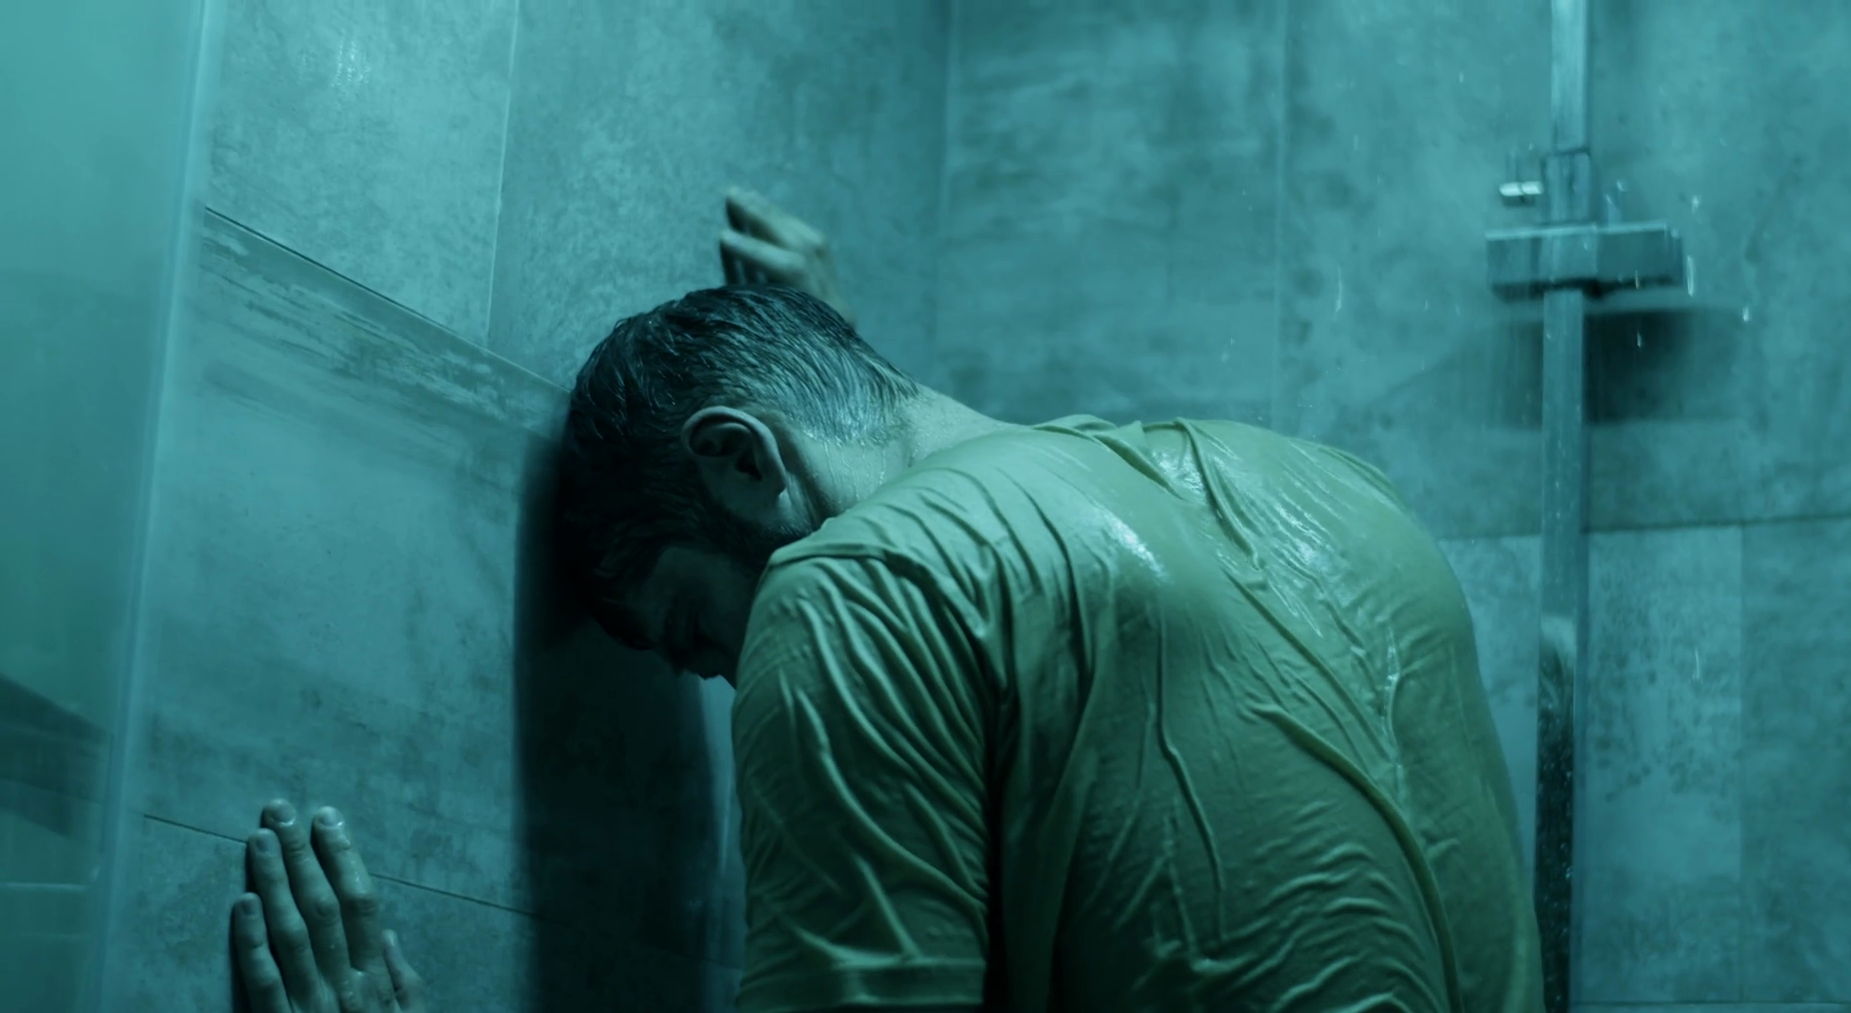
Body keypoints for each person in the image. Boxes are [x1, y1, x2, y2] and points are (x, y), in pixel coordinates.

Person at [228, 189, 1544, 1013]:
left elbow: (906, 569)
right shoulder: (1337, 498)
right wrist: (845, 397)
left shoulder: (856, 595)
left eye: (703, 637)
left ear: (744, 462)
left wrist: (841, 564)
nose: (745, 675)